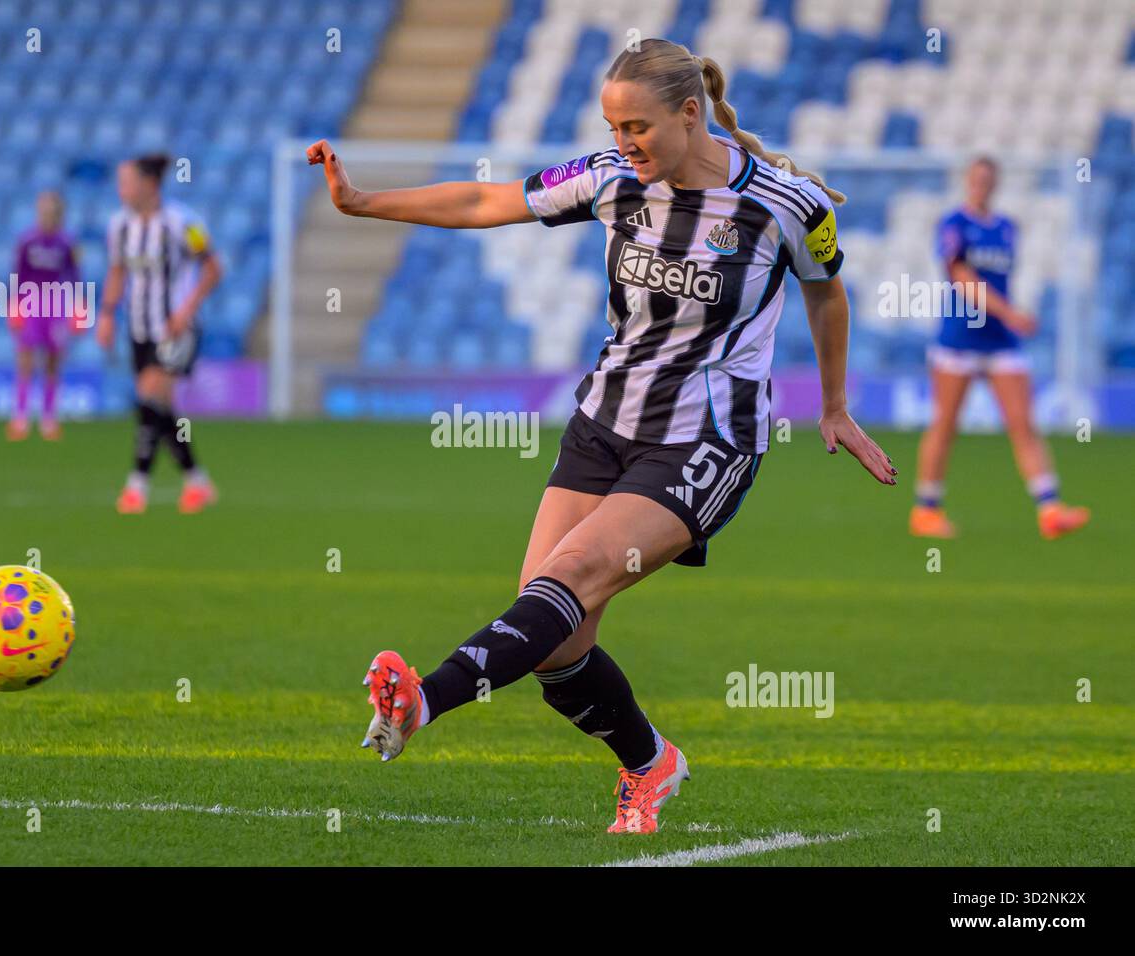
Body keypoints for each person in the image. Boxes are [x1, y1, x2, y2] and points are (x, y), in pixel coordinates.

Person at [311, 38, 895, 833]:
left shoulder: (786, 206)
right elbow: (489, 202)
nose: (624, 143)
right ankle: (651, 762)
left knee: (576, 573)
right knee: (552, 639)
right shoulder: (611, 178)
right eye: (614, 127)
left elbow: (828, 295)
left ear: (691, 115)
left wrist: (833, 405)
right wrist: (364, 202)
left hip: (706, 442)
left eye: (637, 127)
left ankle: (421, 702)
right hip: (604, 423)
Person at [910, 157, 1089, 540]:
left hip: (1000, 341)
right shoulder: (954, 224)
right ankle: (925, 508)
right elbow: (960, 277)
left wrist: (1006, 316)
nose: (982, 185)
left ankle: (1050, 507)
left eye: (988, 179)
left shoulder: (1007, 227)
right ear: (967, 181)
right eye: (976, 178)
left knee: (1023, 422)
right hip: (960, 337)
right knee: (945, 423)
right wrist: (1009, 312)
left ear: (995, 183)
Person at [97, 154, 222, 514]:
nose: (121, 189)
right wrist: (106, 315)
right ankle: (197, 480)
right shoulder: (119, 225)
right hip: (139, 327)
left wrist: (185, 312)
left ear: (149, 184)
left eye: (127, 181)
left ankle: (137, 486)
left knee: (150, 395)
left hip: (175, 328)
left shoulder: (183, 223)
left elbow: (213, 269)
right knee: (160, 407)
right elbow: (117, 272)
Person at [7, 190, 80, 441]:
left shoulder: (67, 243)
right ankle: (21, 417)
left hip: (55, 304)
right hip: (30, 302)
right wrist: (14, 306)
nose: (47, 216)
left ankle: (49, 418)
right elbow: (18, 275)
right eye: (43, 211)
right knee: (25, 361)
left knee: (52, 363)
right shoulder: (27, 241)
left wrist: (76, 308)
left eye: (51, 211)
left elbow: (73, 276)